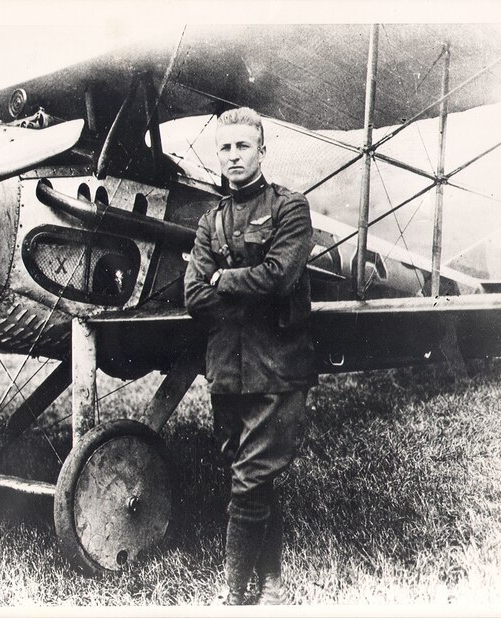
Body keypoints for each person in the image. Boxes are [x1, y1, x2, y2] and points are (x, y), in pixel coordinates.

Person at [184, 107, 316, 605]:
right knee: (251, 475)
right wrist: (235, 284)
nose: (234, 156)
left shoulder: (290, 209)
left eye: (243, 146)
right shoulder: (210, 220)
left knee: (248, 479)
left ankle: (233, 595)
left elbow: (280, 275)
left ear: (262, 149)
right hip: (227, 371)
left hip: (277, 366)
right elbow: (193, 296)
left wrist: (223, 278)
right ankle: (274, 584)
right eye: (225, 148)